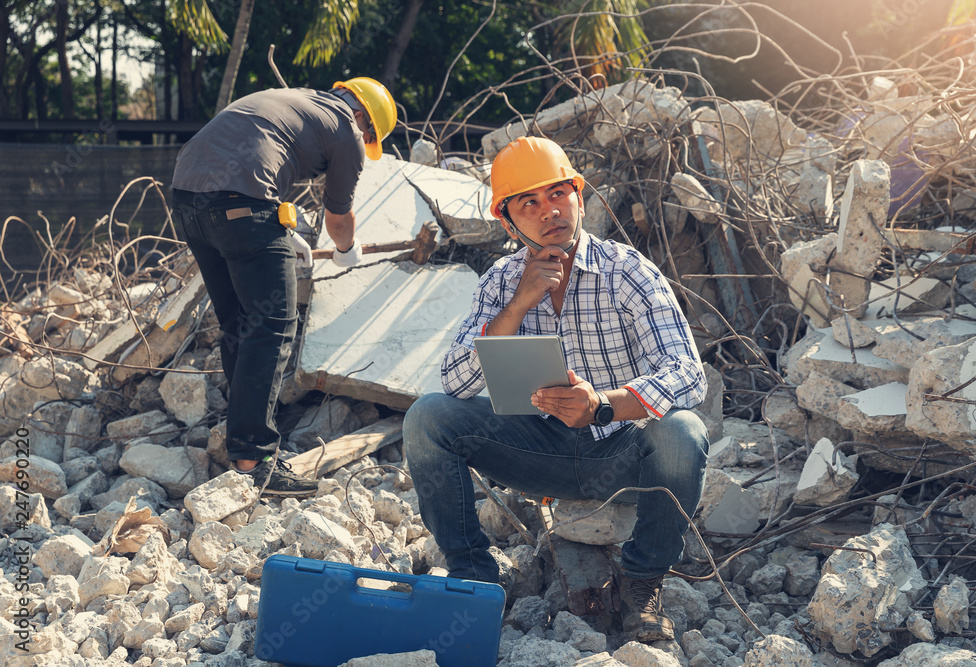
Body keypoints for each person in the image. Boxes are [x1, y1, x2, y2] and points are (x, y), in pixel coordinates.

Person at [403, 136, 709, 642]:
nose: (549, 211)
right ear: (509, 223)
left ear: (579, 198)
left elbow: (687, 373)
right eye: (529, 202)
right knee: (427, 418)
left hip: (620, 456)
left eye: (557, 194)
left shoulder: (627, 271)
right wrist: (519, 304)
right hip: (537, 455)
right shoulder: (502, 281)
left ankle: (642, 583)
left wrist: (603, 406)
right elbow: (455, 382)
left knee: (683, 431)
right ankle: (473, 578)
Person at [171, 77, 397, 497]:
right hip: (243, 207)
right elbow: (338, 219)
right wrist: (347, 250)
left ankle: (242, 444)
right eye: (370, 138)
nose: (364, 143)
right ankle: (255, 460)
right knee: (272, 325)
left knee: (239, 323)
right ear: (363, 118)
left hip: (187, 204)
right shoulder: (346, 128)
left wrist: (280, 229)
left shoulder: (297, 101)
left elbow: (252, 156)